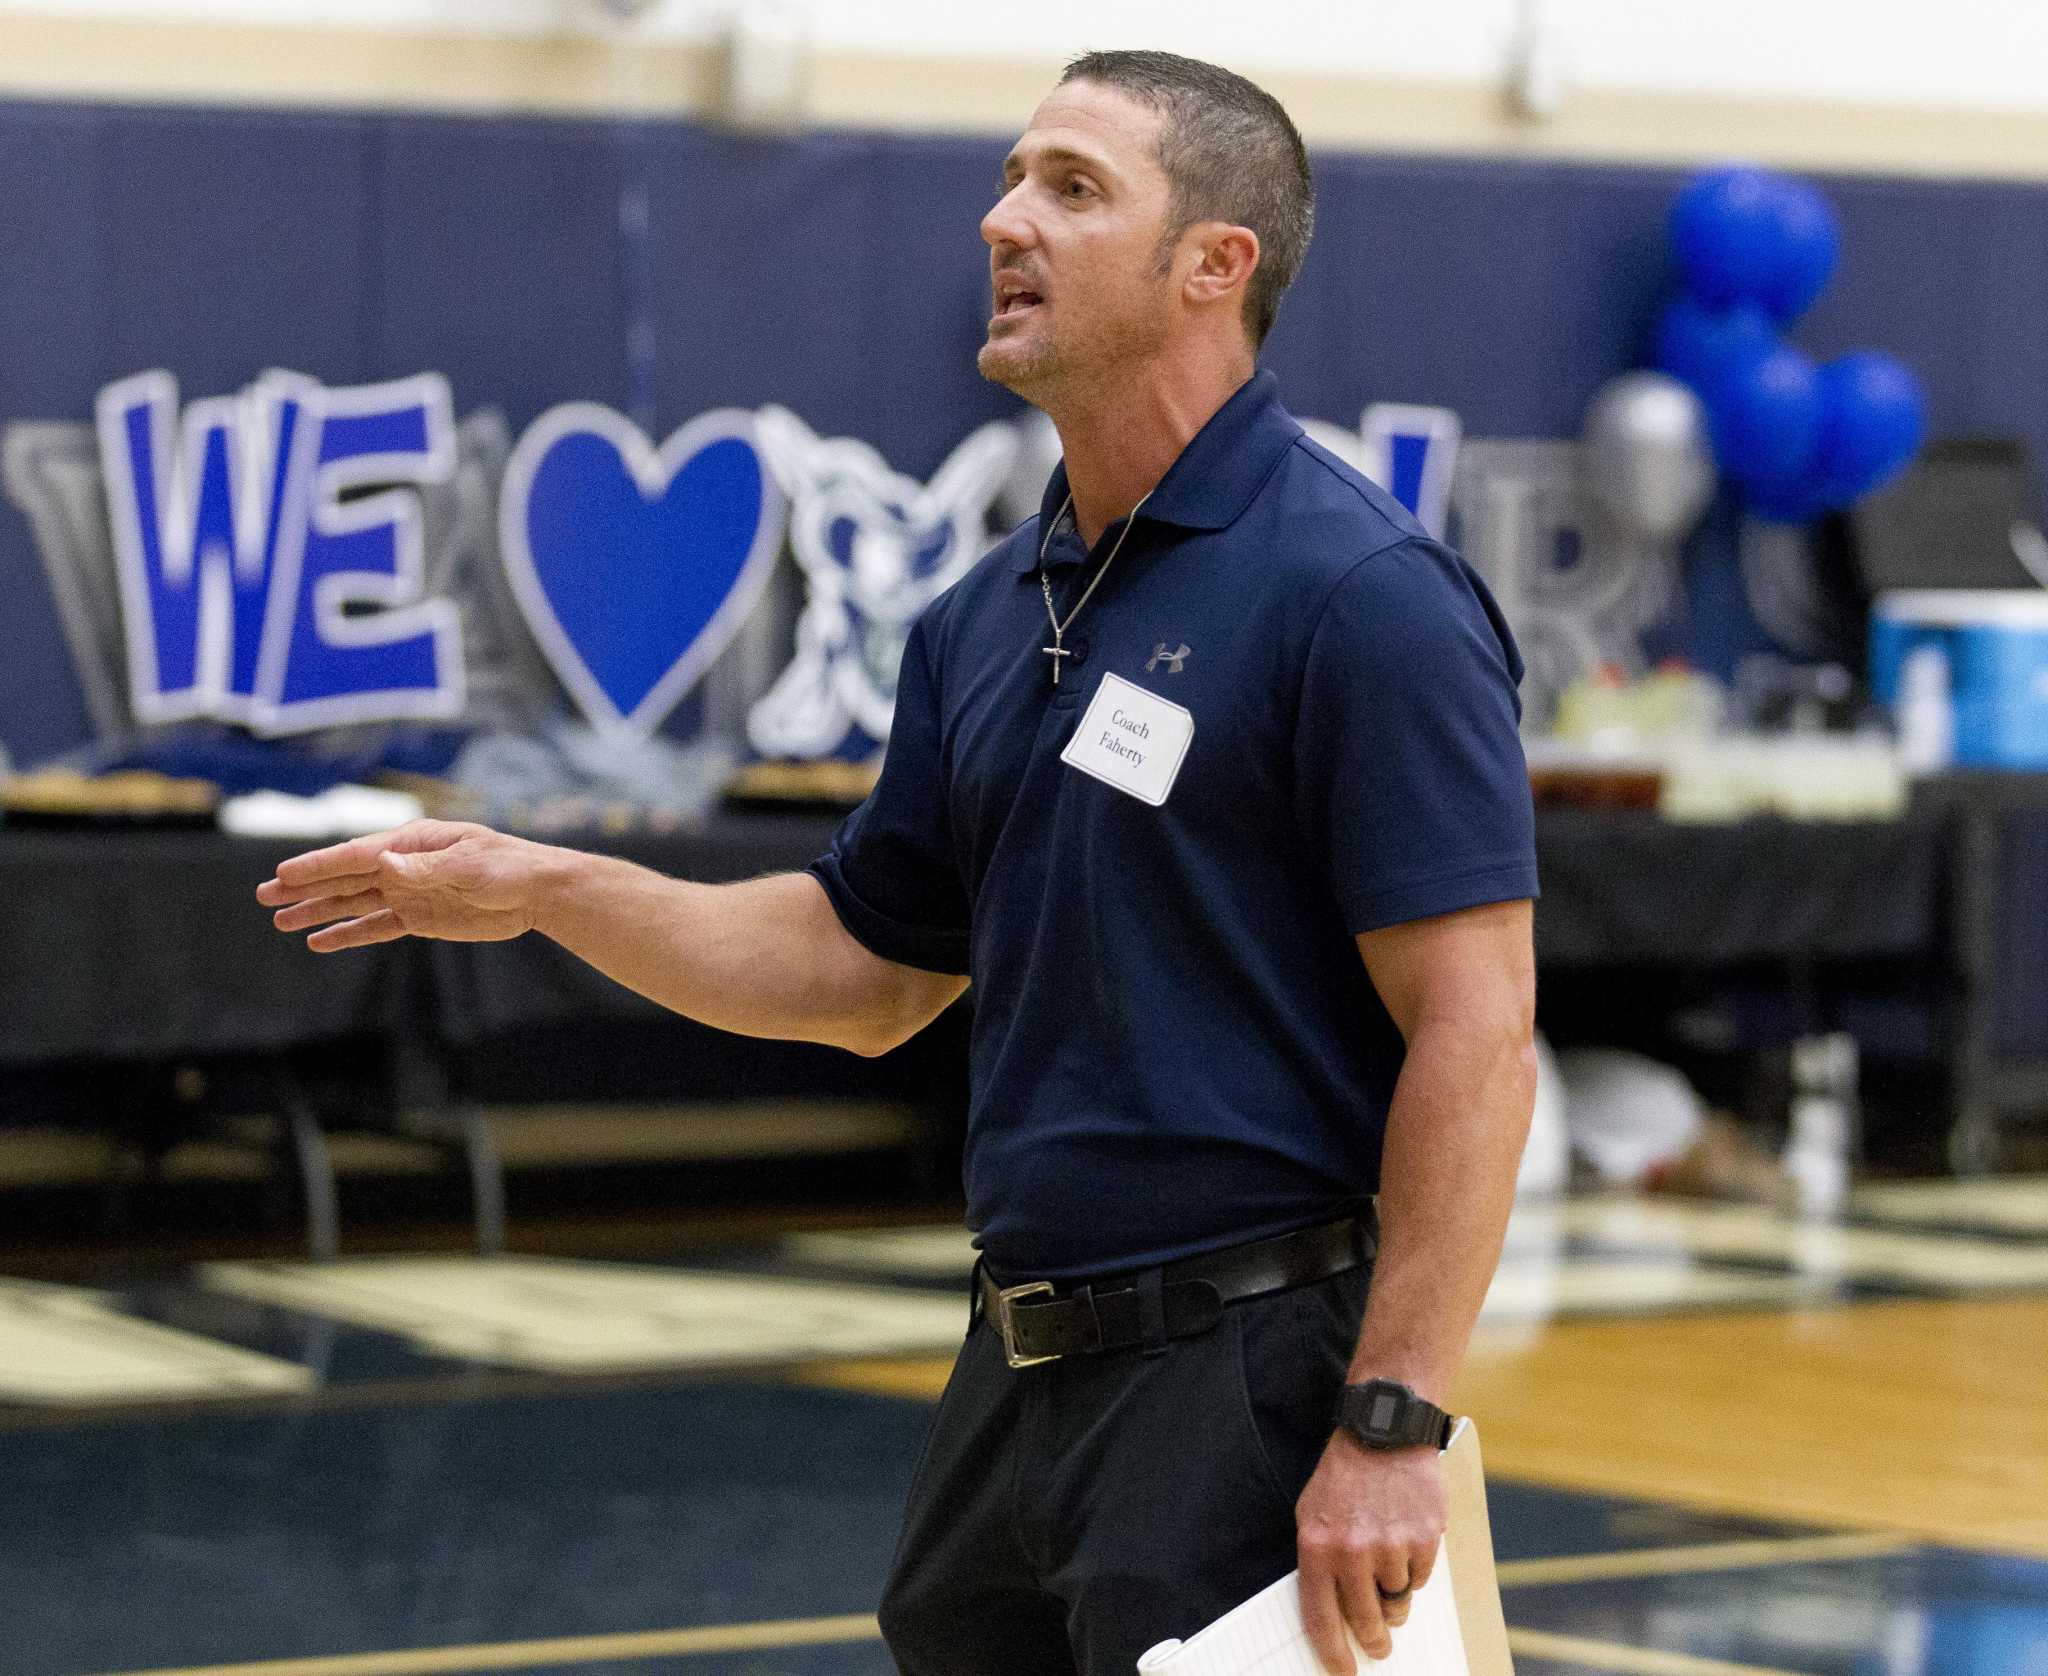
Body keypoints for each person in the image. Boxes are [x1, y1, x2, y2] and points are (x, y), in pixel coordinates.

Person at [257, 48, 1537, 1676]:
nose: (1005, 220)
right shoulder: (985, 616)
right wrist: (548, 888)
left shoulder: (1362, 595)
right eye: (1011, 179)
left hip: (1253, 1379)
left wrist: (1391, 1420)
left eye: (1073, 188)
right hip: (1018, 1378)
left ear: (1214, 265)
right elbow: (863, 977)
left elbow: (1478, 1031)